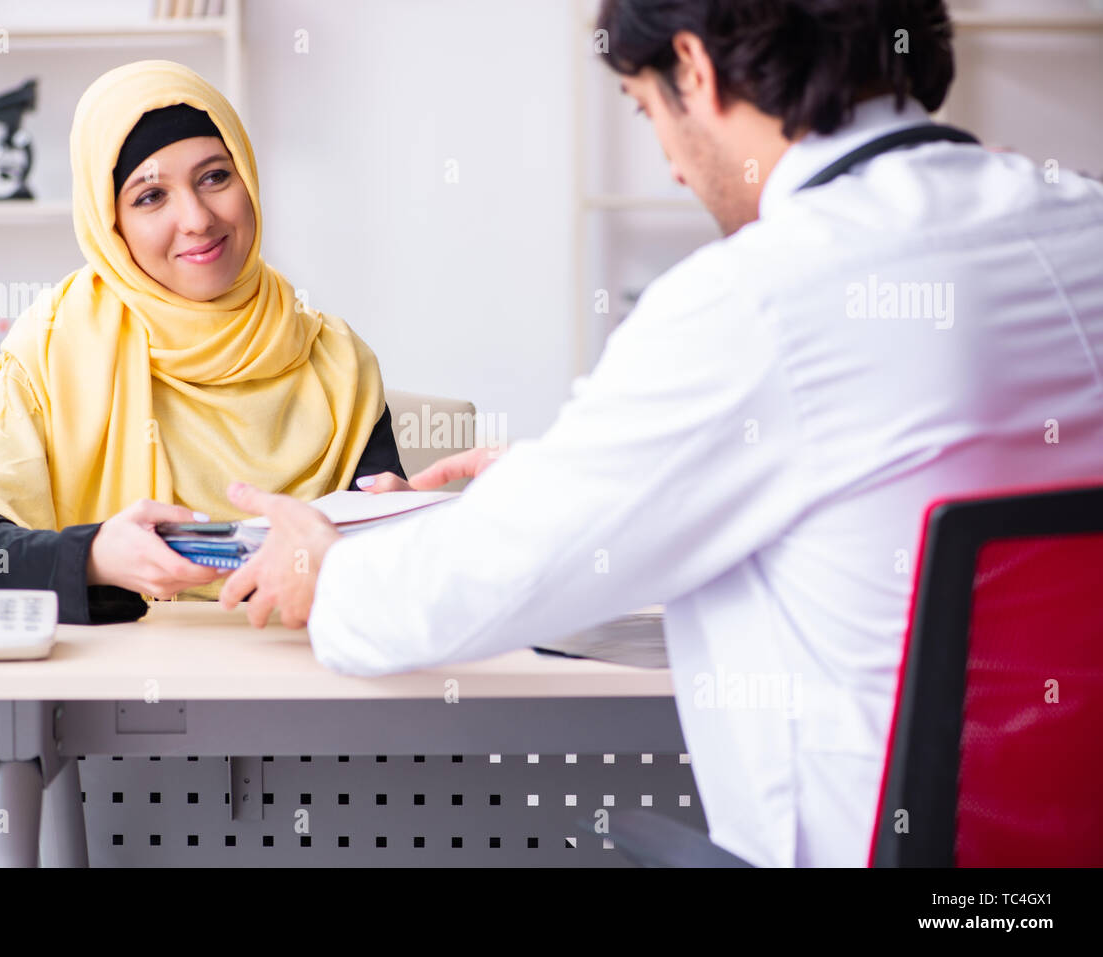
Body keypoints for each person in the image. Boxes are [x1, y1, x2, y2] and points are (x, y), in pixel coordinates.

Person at [211, 0, 1103, 867]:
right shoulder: (1081, 219)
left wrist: (330, 573)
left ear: (696, 69)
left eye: (647, 110)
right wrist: (575, 468)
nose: (673, 166)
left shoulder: (760, 298)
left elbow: (485, 578)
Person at [0, 60, 404, 623]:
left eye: (215, 176)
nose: (196, 218)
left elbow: (387, 568)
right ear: (110, 225)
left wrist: (405, 534)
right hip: (112, 694)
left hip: (309, 676)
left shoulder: (337, 360)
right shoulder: (53, 347)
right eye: (150, 197)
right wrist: (93, 556)